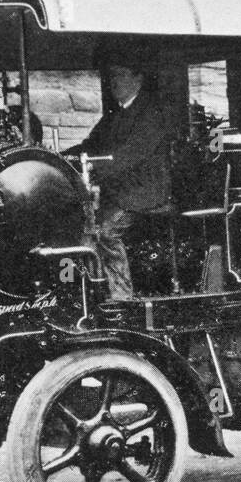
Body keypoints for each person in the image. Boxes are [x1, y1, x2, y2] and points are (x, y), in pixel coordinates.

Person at [68, 47, 176, 299]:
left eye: (120, 75)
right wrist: (61, 156)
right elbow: (90, 145)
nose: (113, 82)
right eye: (111, 76)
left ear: (138, 78)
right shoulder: (116, 114)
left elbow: (130, 155)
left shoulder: (151, 113)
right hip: (121, 192)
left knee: (105, 230)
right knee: (82, 225)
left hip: (146, 193)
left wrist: (95, 167)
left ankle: (121, 297)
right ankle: (92, 290)